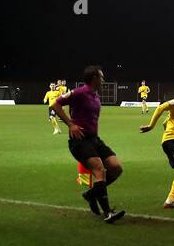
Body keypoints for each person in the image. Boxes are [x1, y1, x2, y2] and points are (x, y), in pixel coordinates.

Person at [52, 65, 125, 223]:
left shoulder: (96, 96)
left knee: (116, 168)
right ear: (94, 78)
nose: (103, 80)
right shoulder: (79, 92)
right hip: (80, 140)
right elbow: (55, 104)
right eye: (101, 77)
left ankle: (91, 194)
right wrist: (70, 124)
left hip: (94, 139)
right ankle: (108, 213)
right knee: (99, 170)